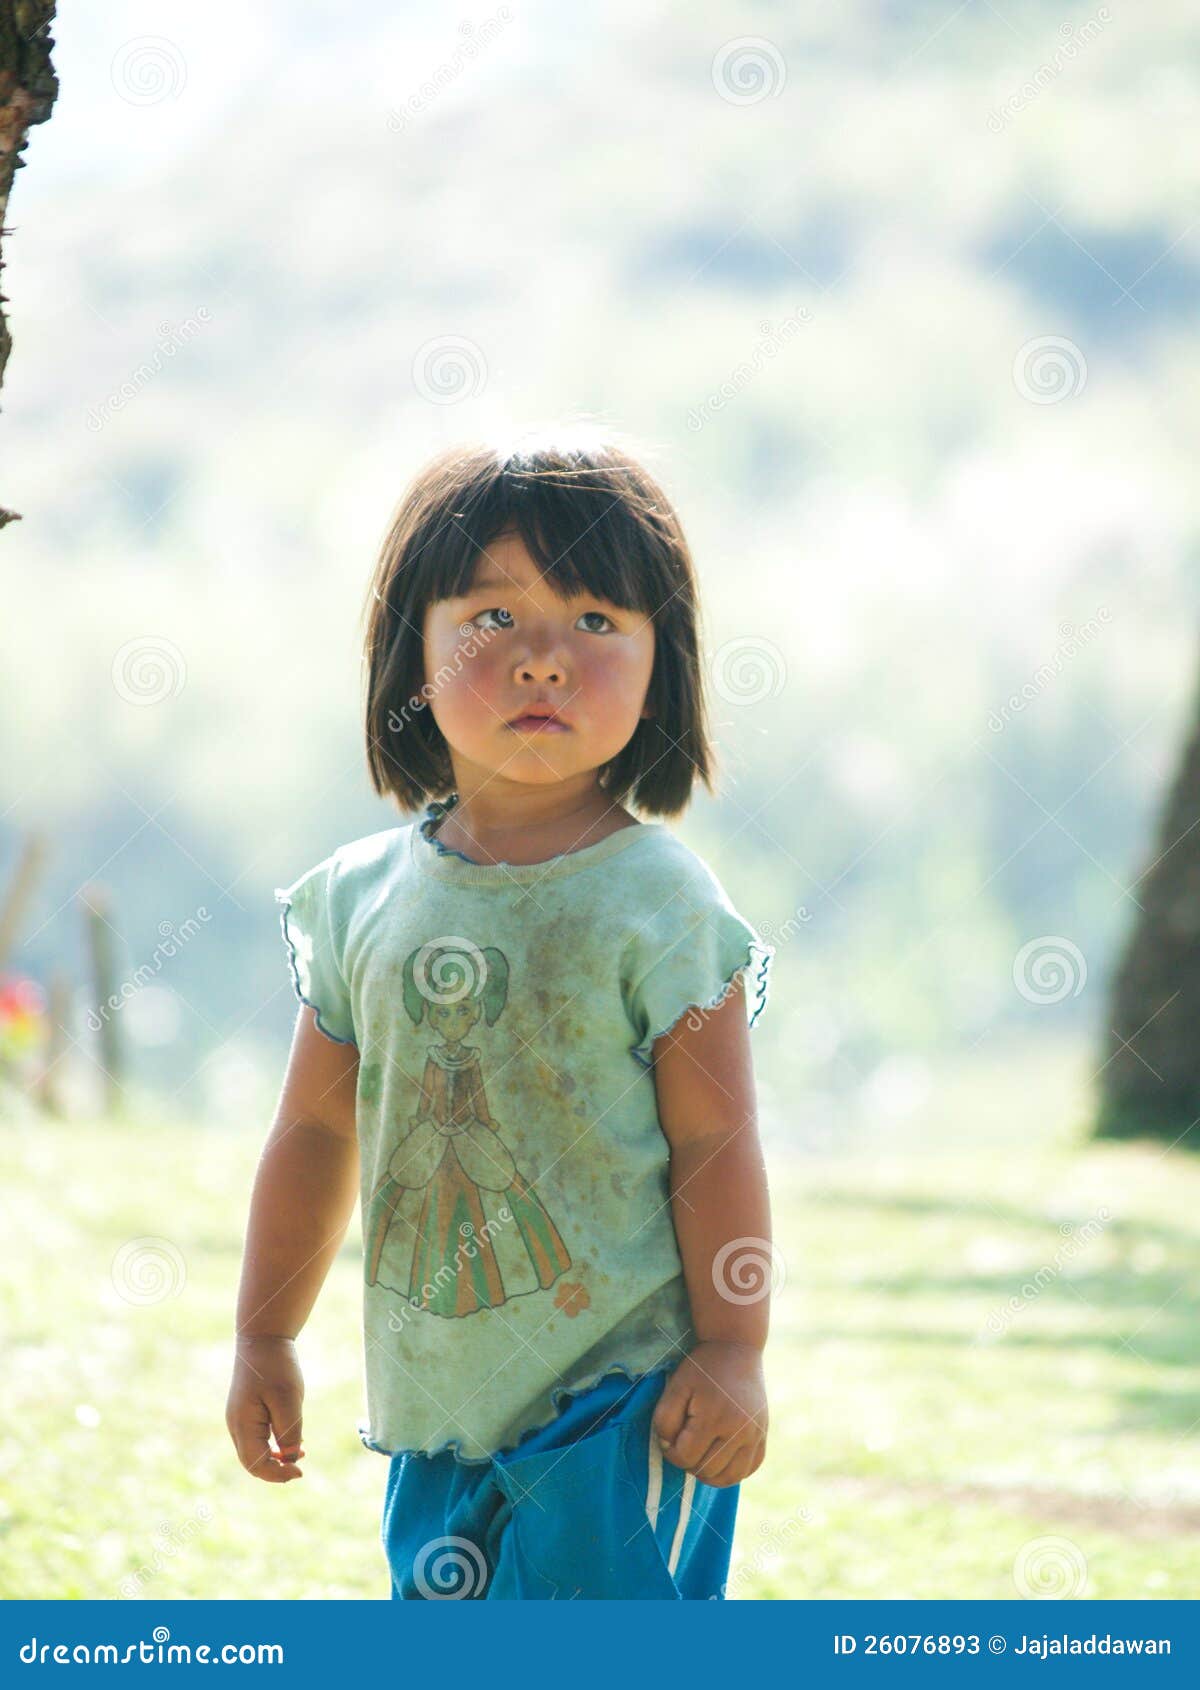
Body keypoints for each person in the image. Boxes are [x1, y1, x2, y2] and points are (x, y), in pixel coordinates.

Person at [225, 426, 776, 1600]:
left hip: (625, 1409)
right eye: (492, 618)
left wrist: (736, 1350)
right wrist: (263, 1334)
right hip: (437, 1416)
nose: (541, 661)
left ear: (663, 663)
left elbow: (715, 1140)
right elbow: (314, 1132)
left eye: (595, 620)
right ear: (409, 656)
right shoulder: (358, 900)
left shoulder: (662, 902)